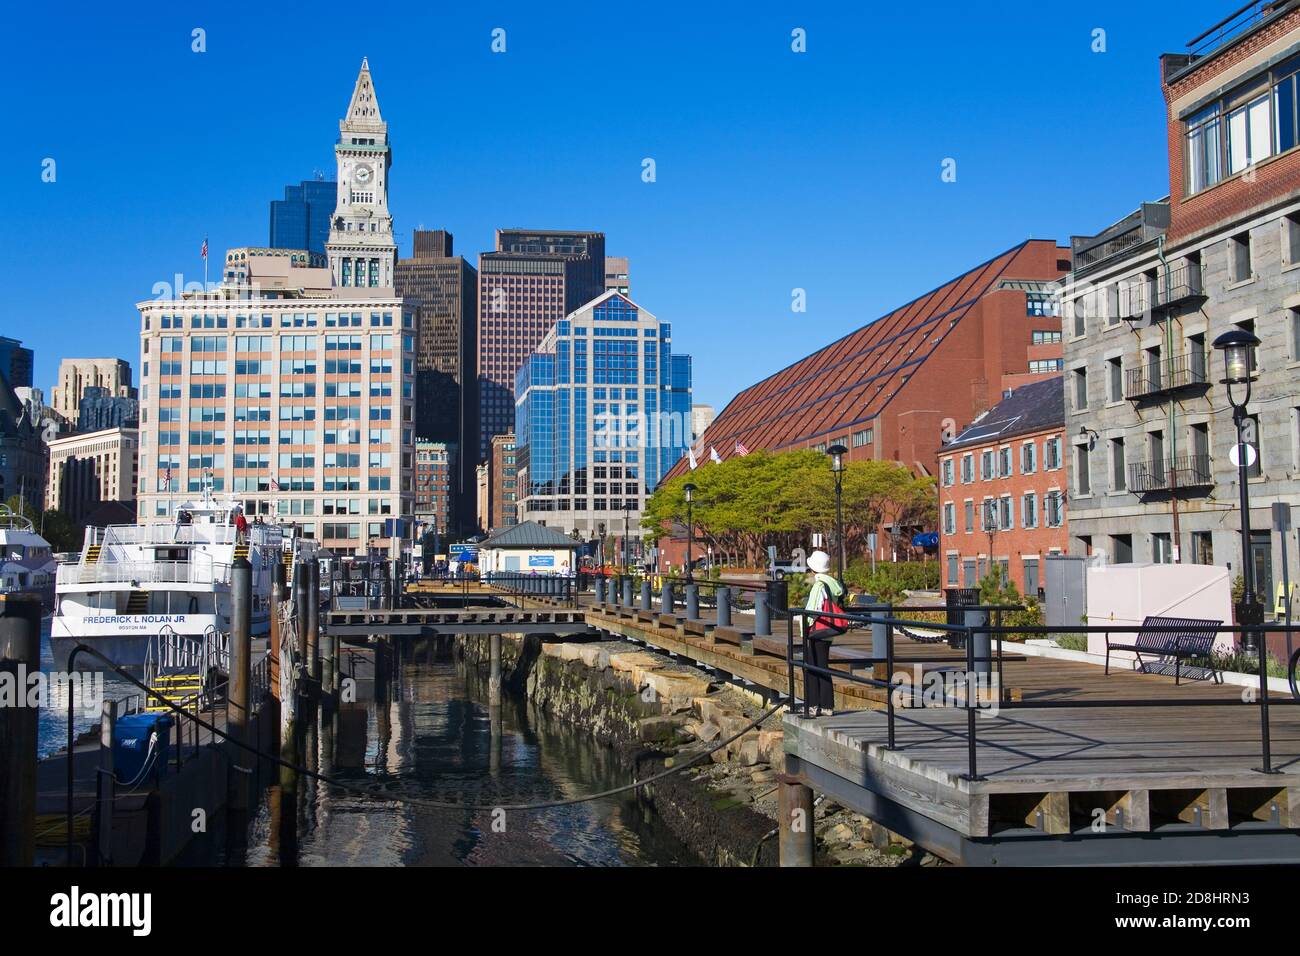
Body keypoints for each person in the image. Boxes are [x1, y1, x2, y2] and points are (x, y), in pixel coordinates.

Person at [801, 550, 845, 717]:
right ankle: (827, 705)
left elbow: (813, 609)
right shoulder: (833, 584)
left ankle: (812, 705)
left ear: (813, 569)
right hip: (828, 631)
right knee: (823, 667)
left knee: (812, 668)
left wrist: (806, 627)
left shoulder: (819, 585)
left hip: (816, 632)